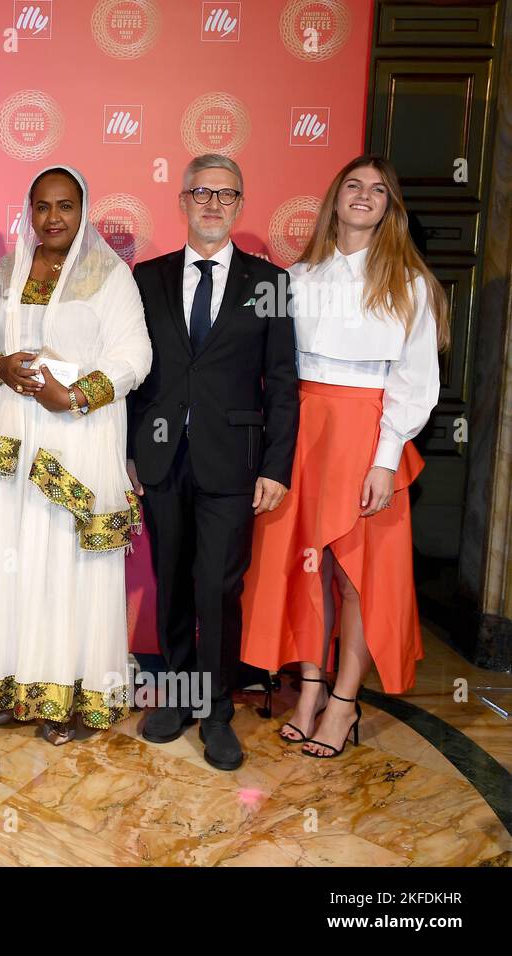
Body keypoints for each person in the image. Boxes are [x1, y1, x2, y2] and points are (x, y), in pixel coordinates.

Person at [241, 154, 447, 758]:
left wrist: (386, 459)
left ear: (390, 207)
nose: (363, 196)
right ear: (335, 198)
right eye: (353, 185)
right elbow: (271, 372)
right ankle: (308, 689)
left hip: (367, 436)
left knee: (358, 578)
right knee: (311, 573)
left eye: (378, 190)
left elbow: (415, 382)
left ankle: (345, 702)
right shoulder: (296, 280)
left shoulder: (411, 286)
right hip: (304, 433)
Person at [0, 165, 151, 744]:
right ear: (29, 211)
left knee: (66, 571)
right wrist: (1, 367)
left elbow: (134, 356)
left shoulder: (108, 275)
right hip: (16, 447)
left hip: (76, 443)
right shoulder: (7, 269)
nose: (53, 218)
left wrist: (74, 395)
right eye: (42, 207)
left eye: (65, 206)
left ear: (82, 210)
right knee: (11, 564)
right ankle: (8, 685)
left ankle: (68, 698)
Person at [127, 154, 299, 771]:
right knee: (171, 580)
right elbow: (132, 373)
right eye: (201, 192)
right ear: (182, 200)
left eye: (226, 195)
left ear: (240, 205)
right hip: (161, 456)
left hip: (235, 463)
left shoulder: (270, 283)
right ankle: (177, 695)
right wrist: (127, 450)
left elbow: (281, 381)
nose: (212, 204)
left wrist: (277, 466)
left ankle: (218, 709)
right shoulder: (144, 278)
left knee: (218, 589)